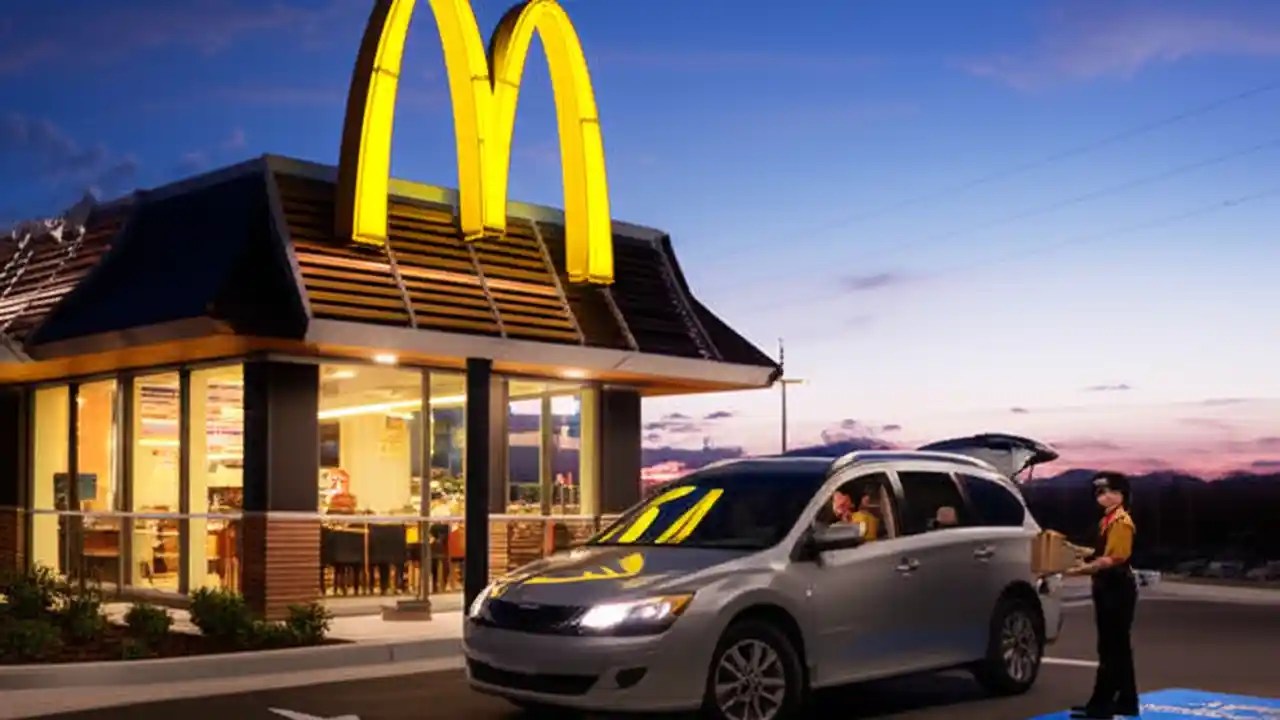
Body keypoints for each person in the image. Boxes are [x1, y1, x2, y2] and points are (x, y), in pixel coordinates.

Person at [1066, 471, 1139, 719]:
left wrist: (1079, 568)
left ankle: (1101, 705)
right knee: (1118, 647)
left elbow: (1115, 557)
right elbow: (1098, 550)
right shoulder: (1107, 521)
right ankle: (1127, 701)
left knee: (1111, 648)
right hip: (1108, 586)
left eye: (1112, 492)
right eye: (1100, 492)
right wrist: (1073, 551)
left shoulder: (1121, 522)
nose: (1106, 497)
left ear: (1123, 495)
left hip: (1116, 586)